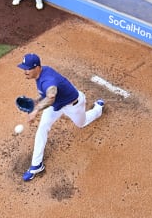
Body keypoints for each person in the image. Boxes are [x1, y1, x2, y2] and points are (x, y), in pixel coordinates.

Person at [16, 53, 104, 181]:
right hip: (56, 105)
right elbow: (47, 96)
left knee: (82, 123)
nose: (25, 71)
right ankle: (36, 165)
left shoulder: (48, 81)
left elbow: (51, 96)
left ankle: (98, 109)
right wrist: (36, 102)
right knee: (42, 128)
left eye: (27, 68)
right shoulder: (41, 74)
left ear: (37, 67)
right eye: (24, 68)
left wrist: (36, 110)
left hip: (73, 105)